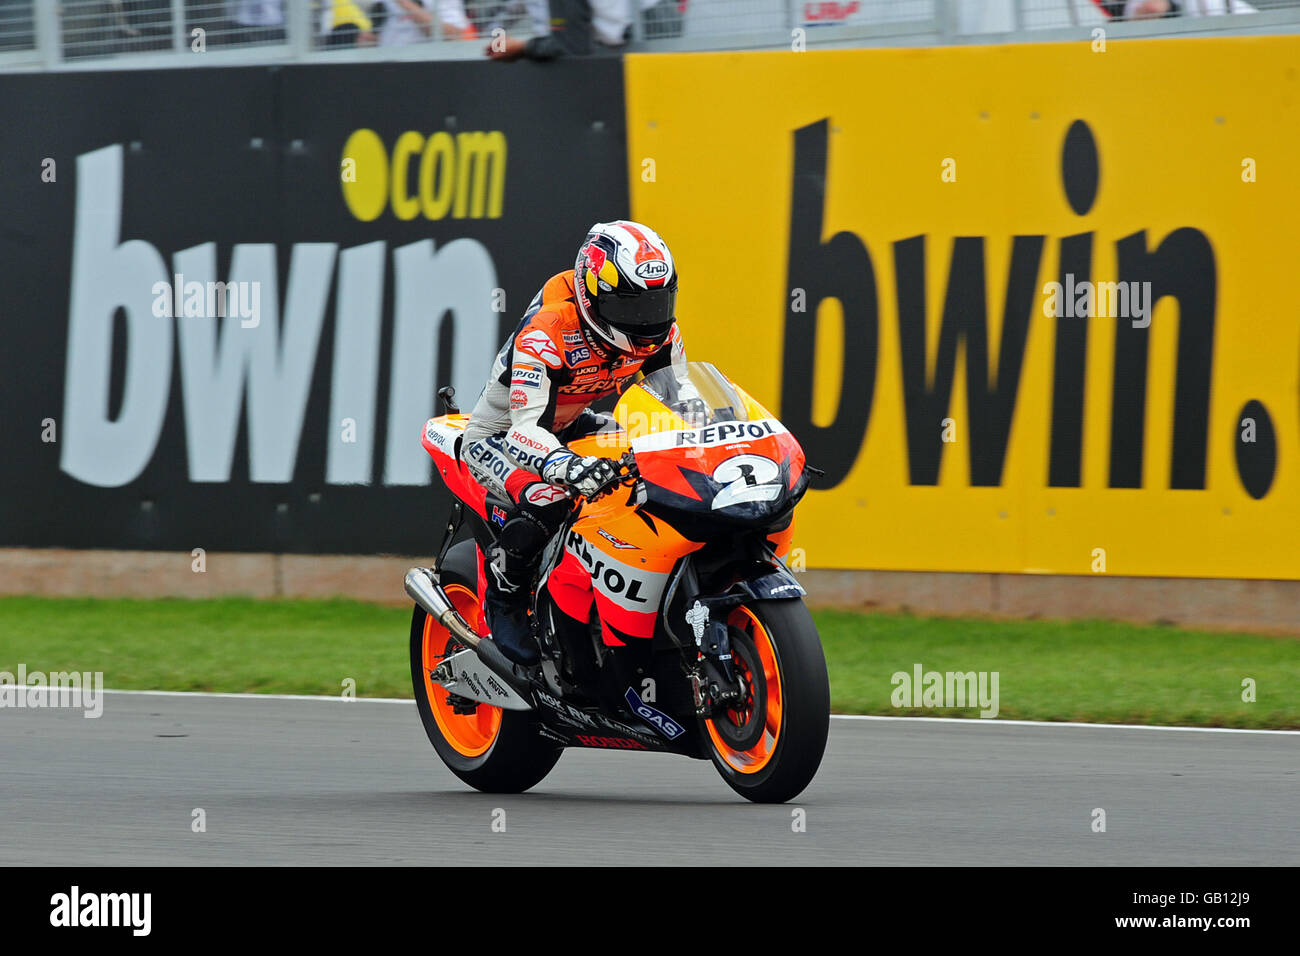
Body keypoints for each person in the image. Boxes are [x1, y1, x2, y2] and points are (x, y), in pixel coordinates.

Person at [461, 221, 686, 667]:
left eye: (656, 303)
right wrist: (569, 467)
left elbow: (678, 408)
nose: (647, 320)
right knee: (553, 497)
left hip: (575, 423)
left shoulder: (663, 335)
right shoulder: (548, 331)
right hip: (501, 437)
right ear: (592, 291)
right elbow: (526, 430)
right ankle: (505, 591)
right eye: (632, 306)